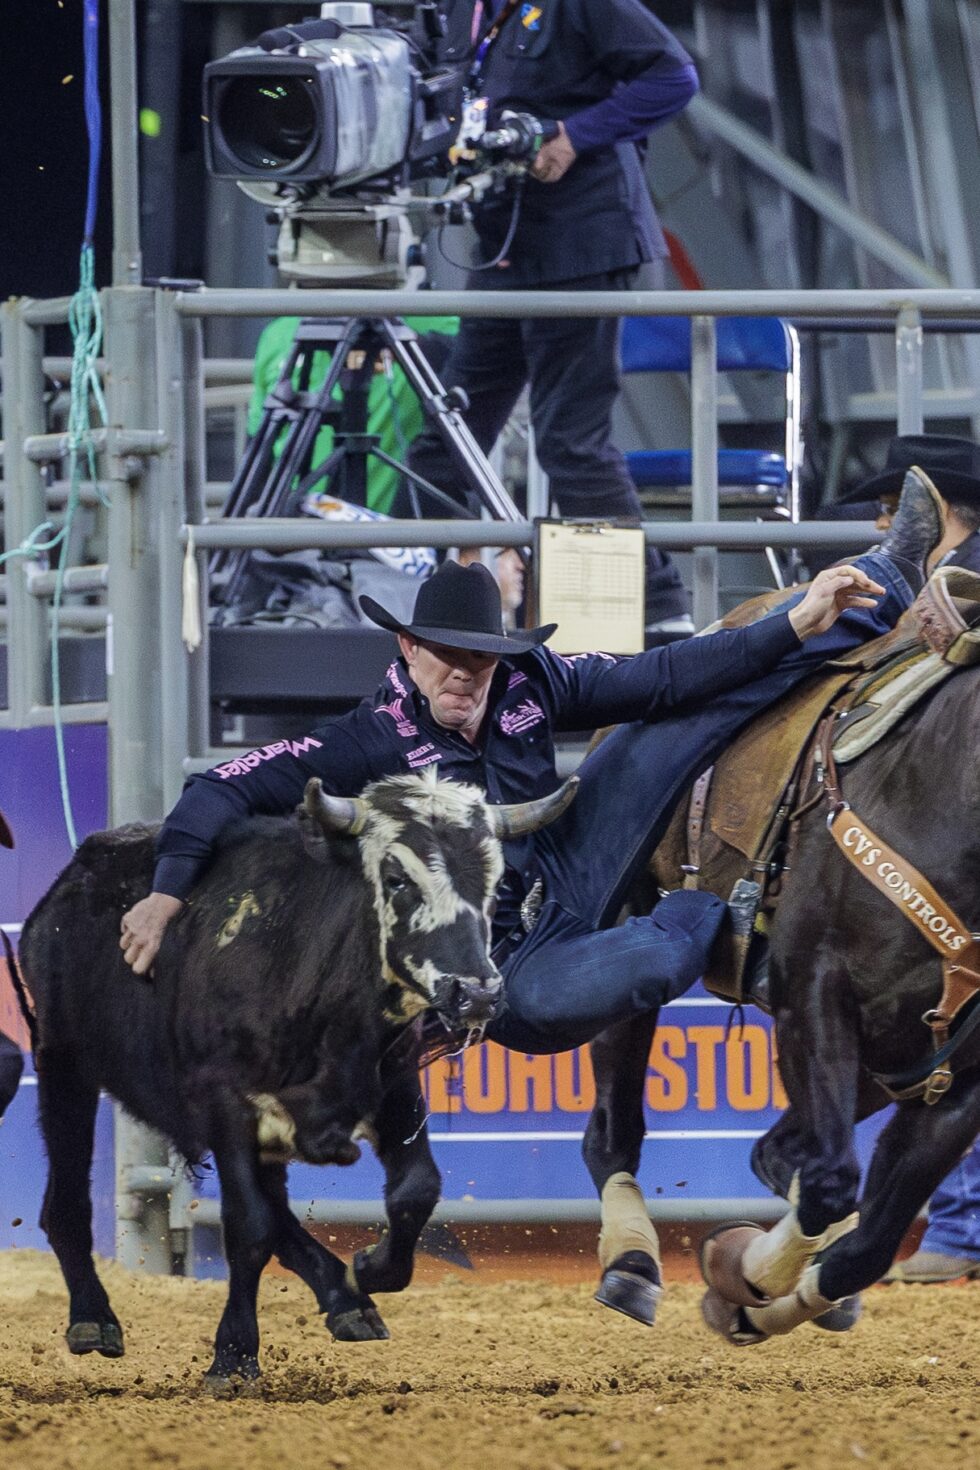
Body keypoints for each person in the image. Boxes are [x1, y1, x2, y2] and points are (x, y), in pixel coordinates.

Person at [119, 473, 942, 1054]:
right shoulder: (366, 742)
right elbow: (219, 784)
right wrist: (164, 893)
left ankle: (886, 579)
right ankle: (725, 930)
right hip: (500, 966)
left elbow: (657, 679)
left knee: (697, 698)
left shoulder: (527, 679)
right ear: (408, 650)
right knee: (657, 959)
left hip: (572, 863)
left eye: (479, 659)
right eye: (445, 656)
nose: (464, 675)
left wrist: (793, 623)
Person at [408, 0, 699, 637]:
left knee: (571, 441)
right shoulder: (457, 12)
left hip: (583, 243)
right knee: (446, 439)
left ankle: (653, 619)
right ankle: (417, 617)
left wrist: (574, 135)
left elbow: (674, 77)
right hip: (505, 246)